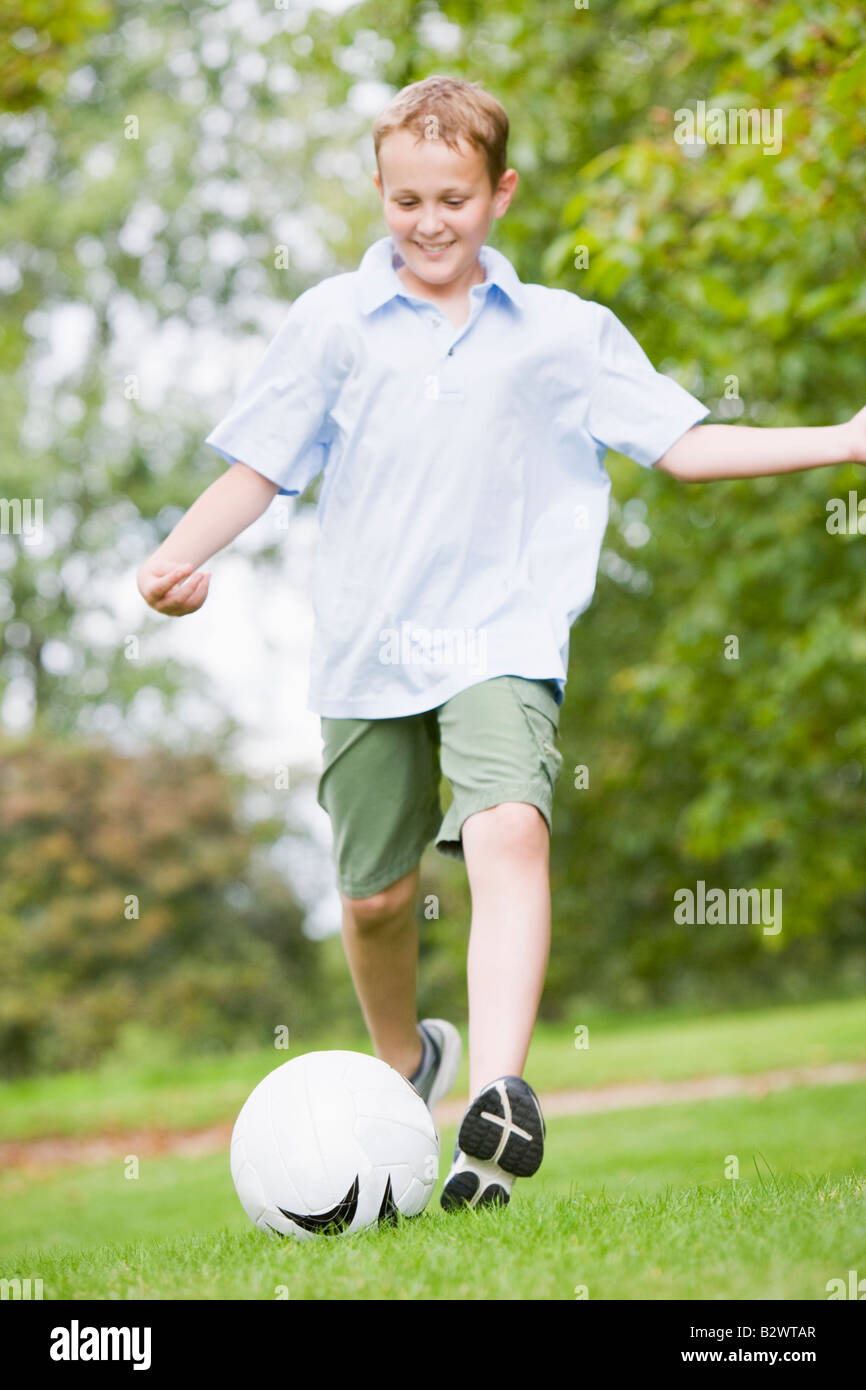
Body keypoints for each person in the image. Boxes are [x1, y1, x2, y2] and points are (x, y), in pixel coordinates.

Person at [137, 74, 866, 1212]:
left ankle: (497, 1099)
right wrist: (177, 558)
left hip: (500, 636)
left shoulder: (562, 336)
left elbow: (680, 445)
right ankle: (402, 1064)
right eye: (407, 199)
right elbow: (259, 466)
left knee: (509, 829)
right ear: (378, 190)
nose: (430, 223)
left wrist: (846, 439)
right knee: (374, 900)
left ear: (500, 192)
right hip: (366, 650)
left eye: (455, 199)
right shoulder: (332, 321)